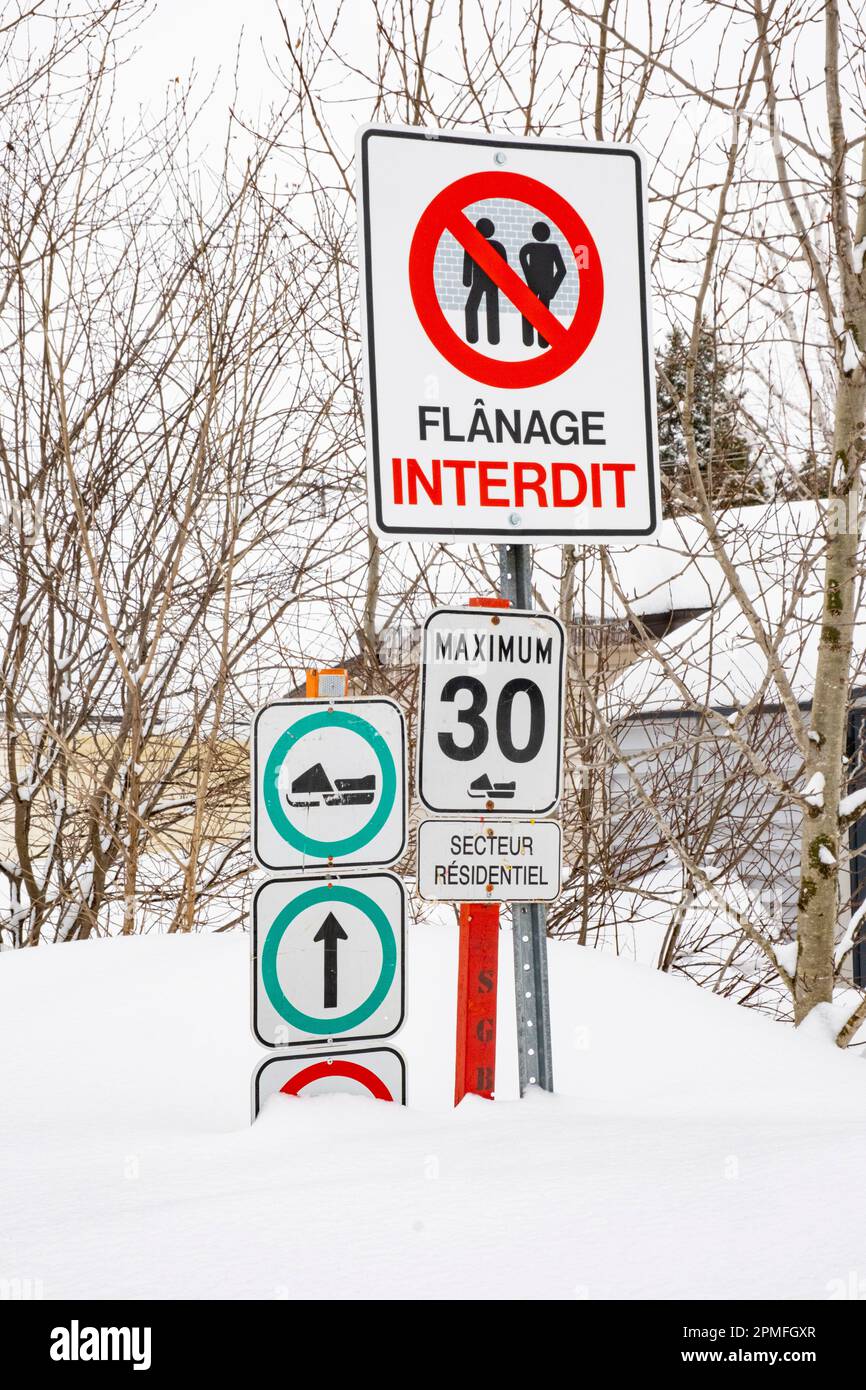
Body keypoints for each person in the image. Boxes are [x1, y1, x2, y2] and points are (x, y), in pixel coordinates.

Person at [519, 221, 566, 348]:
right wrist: (529, 277)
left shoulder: (548, 248)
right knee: (533, 312)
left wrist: (552, 289)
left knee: (541, 313)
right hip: (540, 287)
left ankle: (539, 341)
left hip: (541, 288)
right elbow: (522, 255)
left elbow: (562, 270)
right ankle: (531, 341)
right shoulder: (535, 247)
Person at [463, 217, 508, 345]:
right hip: (490, 282)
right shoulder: (497, 246)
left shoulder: (473, 245)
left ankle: (475, 338)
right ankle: (493, 338)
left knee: (472, 308)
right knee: (490, 309)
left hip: (482, 281)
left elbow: (467, 265)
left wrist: (467, 281)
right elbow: (505, 267)